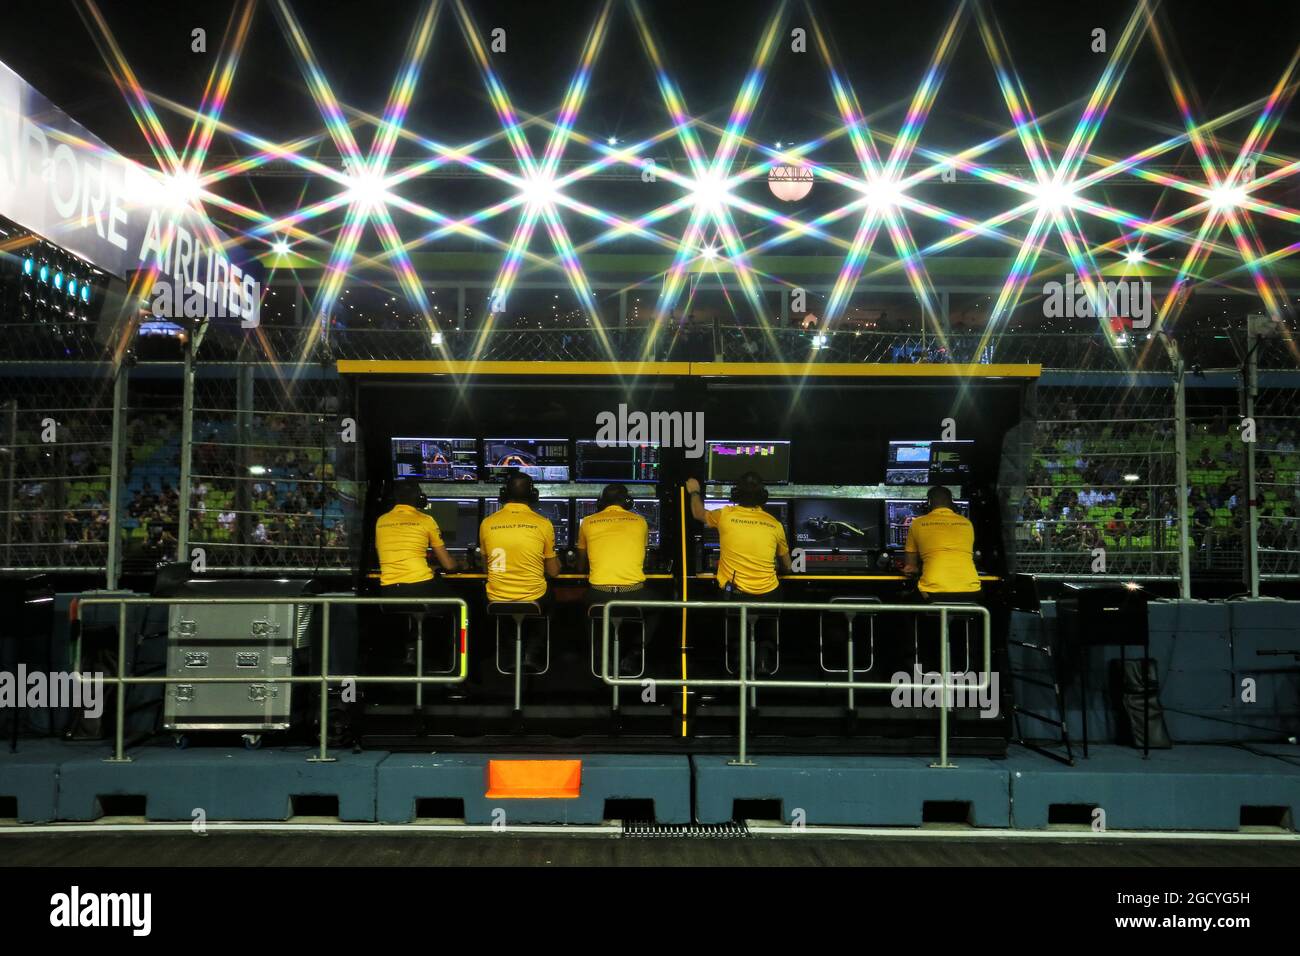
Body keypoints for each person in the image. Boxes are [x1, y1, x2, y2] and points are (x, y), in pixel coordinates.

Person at [577, 484, 655, 671]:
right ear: (627, 502)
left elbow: (581, 565)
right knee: (660, 606)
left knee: (583, 607)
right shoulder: (640, 521)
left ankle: (602, 660)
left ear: (601, 503)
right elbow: (643, 559)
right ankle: (634, 653)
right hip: (634, 594)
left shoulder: (587, 522)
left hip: (599, 595)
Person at [685, 472, 791, 600]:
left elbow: (698, 513)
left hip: (735, 596)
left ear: (736, 493)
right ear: (763, 496)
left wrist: (694, 492)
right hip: (768, 596)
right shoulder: (775, 524)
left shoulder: (725, 515)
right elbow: (788, 567)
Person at [479, 471, 560, 605]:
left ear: (503, 493)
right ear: (534, 495)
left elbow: (485, 568)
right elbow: (553, 572)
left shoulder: (487, 523)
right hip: (534, 597)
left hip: (496, 598)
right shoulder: (543, 524)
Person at [902, 486, 981, 602]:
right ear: (952, 502)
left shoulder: (917, 523)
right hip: (972, 592)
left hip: (933, 593)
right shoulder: (967, 523)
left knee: (903, 601)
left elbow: (910, 568)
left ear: (928, 503)